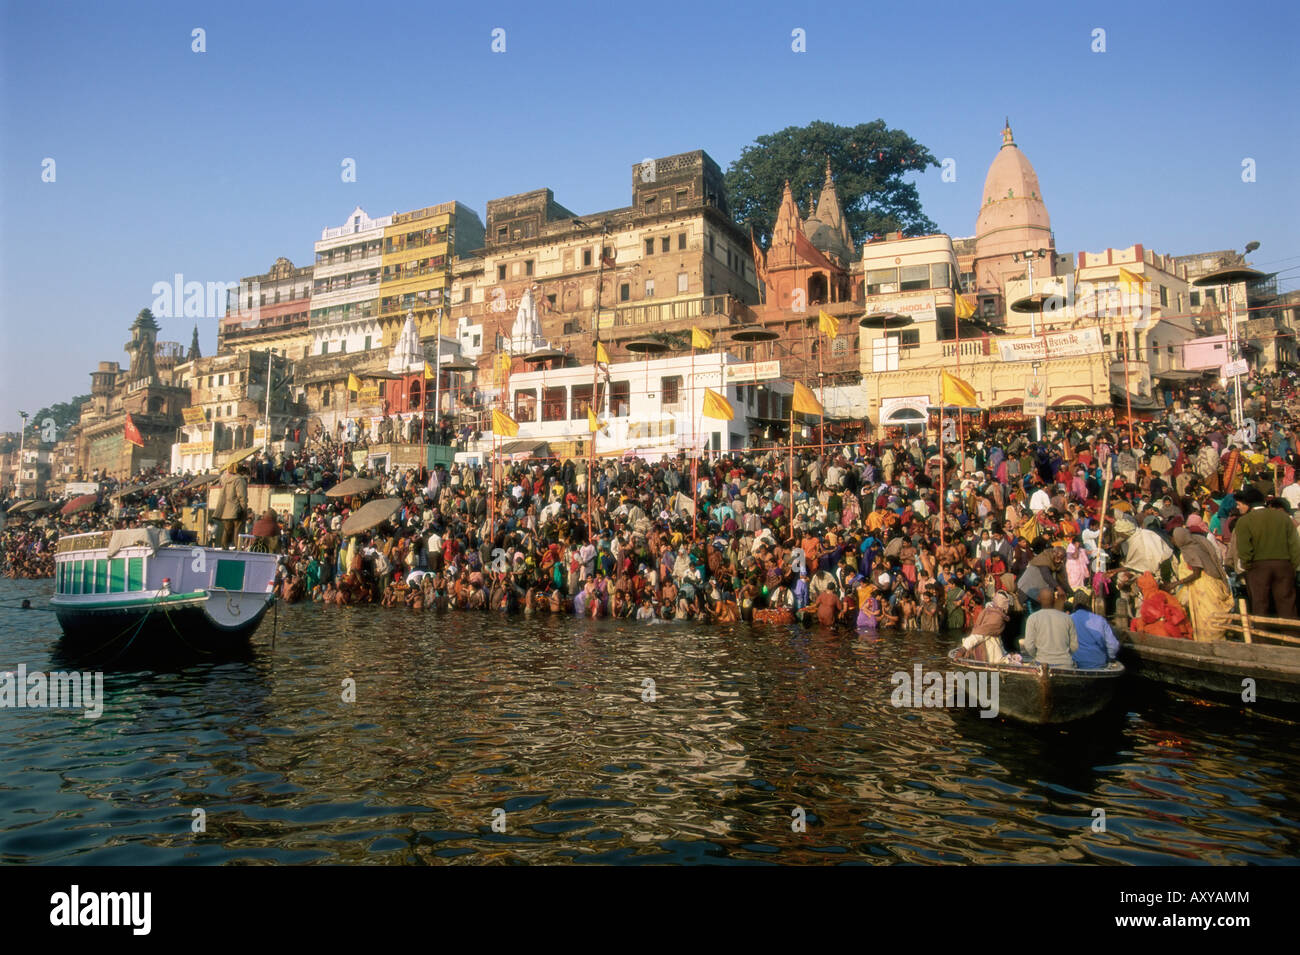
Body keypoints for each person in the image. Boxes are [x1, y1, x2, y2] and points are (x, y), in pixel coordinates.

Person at [1231, 485, 1300, 617]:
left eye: (1239, 504)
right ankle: (1292, 635)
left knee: (1260, 606)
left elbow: (1244, 549)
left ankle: (1262, 637)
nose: (1238, 507)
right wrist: (1292, 566)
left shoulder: (1244, 521)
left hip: (1258, 568)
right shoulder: (1283, 517)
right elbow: (1294, 545)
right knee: (1287, 605)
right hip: (1284, 566)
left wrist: (1248, 567)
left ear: (1247, 504)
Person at [1171, 525, 1234, 641]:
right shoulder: (1197, 542)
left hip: (1204, 586)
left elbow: (1196, 573)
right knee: (1214, 614)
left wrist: (1175, 584)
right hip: (1213, 582)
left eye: (1174, 538)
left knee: (1207, 617)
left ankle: (1209, 641)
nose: (1173, 541)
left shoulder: (1191, 549)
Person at [1020, 589, 1078, 666]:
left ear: (1038, 599)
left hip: (1042, 664)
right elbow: (1074, 646)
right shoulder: (1067, 618)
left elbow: (1029, 646)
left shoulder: (1033, 618)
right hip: (1065, 664)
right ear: (1054, 599)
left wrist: (1038, 656)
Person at [1069, 591, 1120, 668]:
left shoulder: (1068, 619)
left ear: (1074, 605)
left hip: (1075, 664)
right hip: (1098, 663)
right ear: (1089, 605)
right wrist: (1111, 658)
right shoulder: (1100, 620)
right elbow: (1113, 645)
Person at [214, 463, 249, 549]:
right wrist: (244, 509)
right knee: (237, 530)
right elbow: (242, 496)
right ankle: (238, 549)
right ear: (242, 472)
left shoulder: (227, 481)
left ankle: (224, 548)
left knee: (227, 531)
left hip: (226, 510)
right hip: (236, 509)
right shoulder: (240, 480)